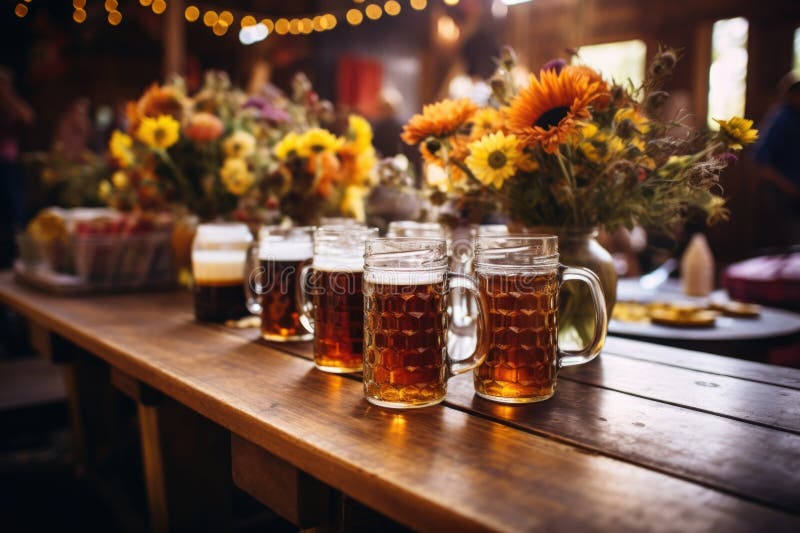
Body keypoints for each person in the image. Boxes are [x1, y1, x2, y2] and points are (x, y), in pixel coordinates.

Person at [753, 71, 800, 248]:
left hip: (793, 193)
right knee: (784, 244)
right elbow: (760, 159)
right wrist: (789, 187)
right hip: (782, 194)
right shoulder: (781, 118)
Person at [0, 67, 34, 268]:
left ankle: (18, 254)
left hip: (8, 163)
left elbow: (28, 117)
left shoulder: (11, 103)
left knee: (16, 211)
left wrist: (8, 96)